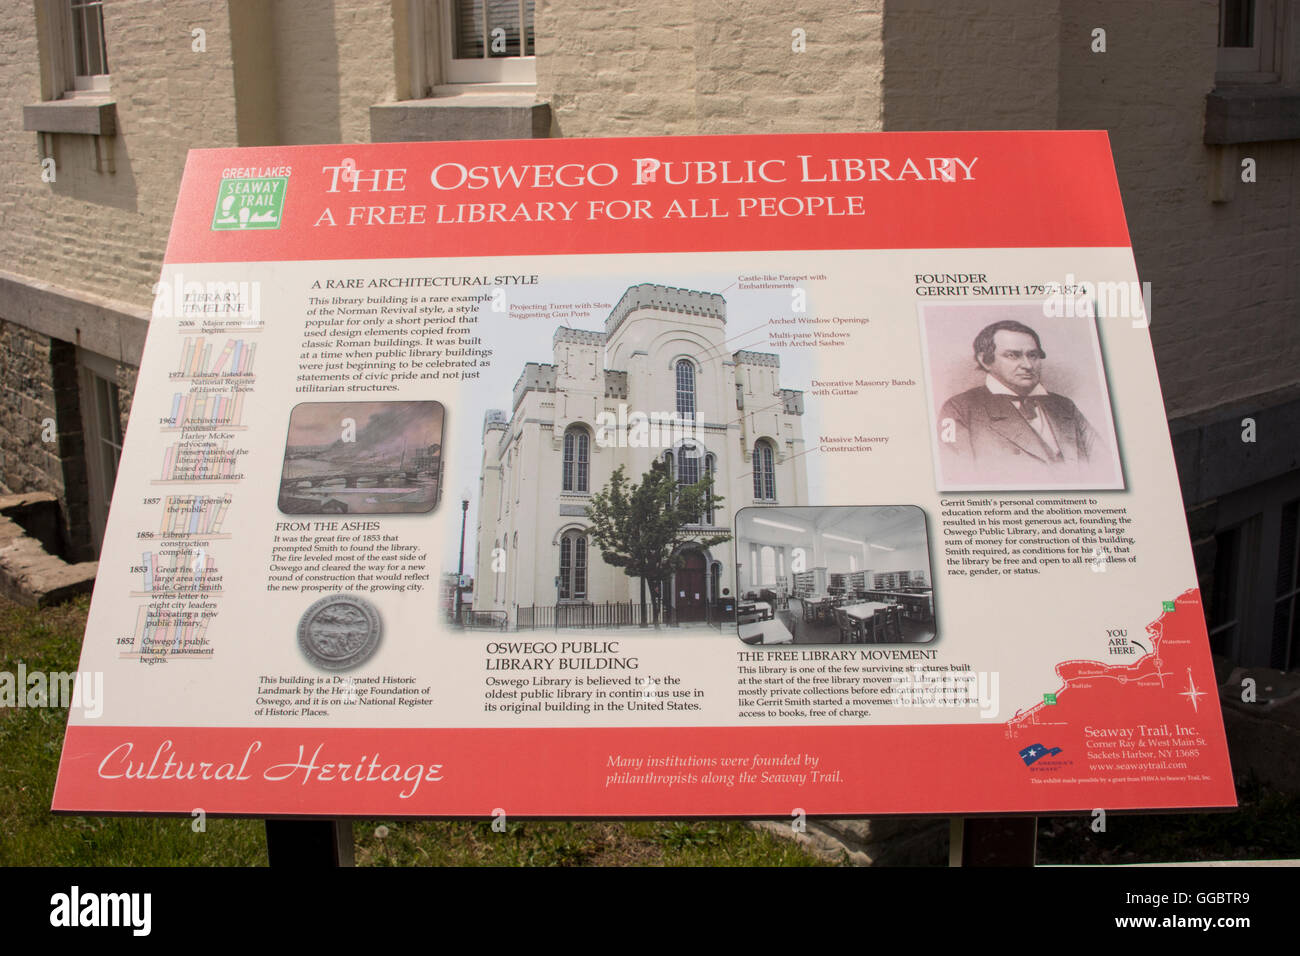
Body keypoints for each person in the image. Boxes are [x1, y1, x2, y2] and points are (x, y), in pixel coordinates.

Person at [938, 320, 1099, 476]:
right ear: (985, 360)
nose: (1028, 365)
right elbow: (957, 475)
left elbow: (1103, 463)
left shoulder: (1065, 406)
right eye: (1013, 356)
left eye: (1033, 355)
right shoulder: (959, 409)